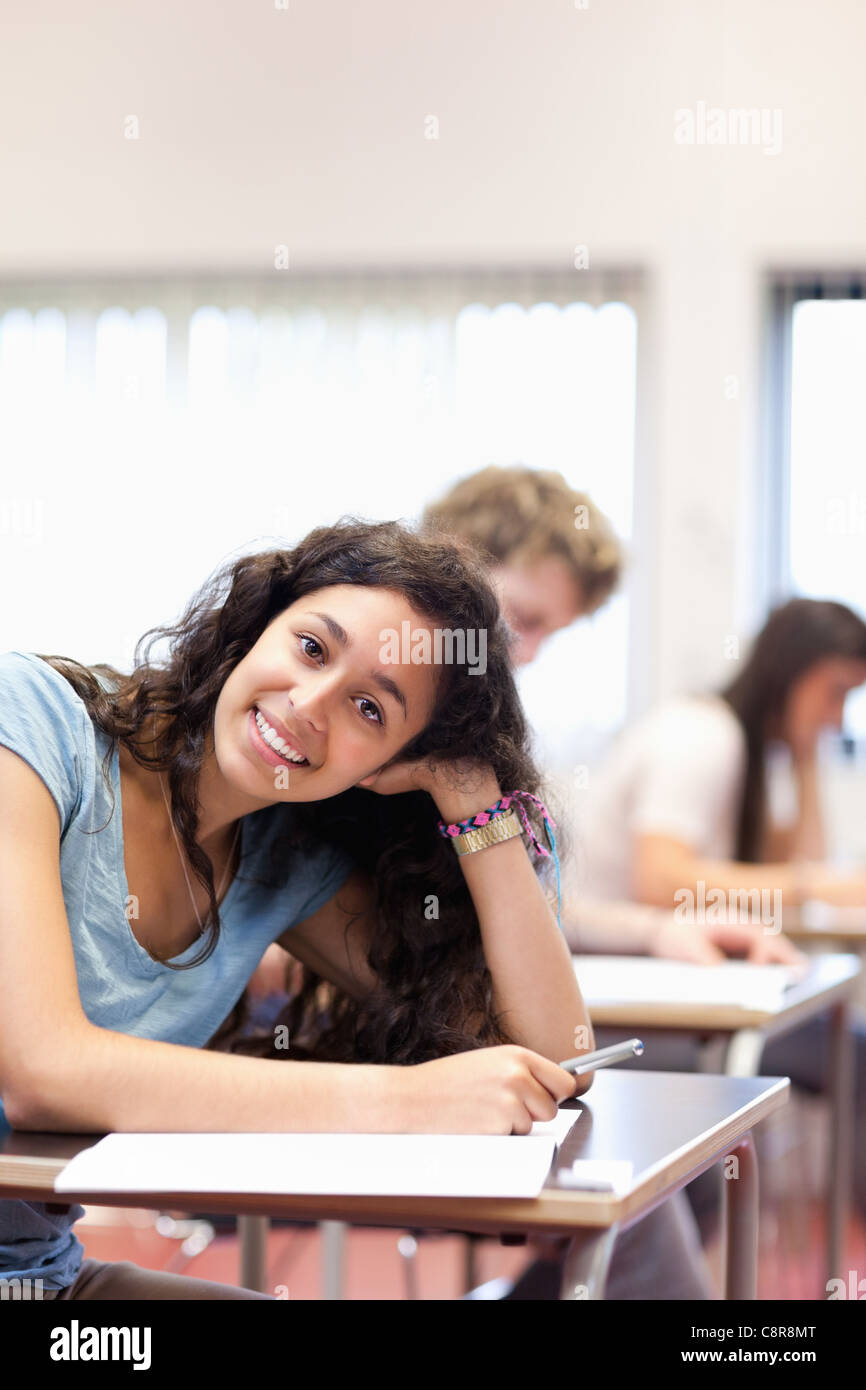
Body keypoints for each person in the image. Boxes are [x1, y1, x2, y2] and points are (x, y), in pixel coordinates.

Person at [0, 518, 590, 1300]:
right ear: (257, 625)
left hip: (39, 1281)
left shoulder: (284, 859)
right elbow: (40, 1073)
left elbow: (550, 1056)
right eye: (312, 648)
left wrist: (471, 795)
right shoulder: (33, 725)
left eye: (371, 711)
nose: (310, 704)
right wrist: (407, 1103)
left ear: (389, 767)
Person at [573, 595, 866, 1224]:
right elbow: (663, 881)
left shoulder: (745, 748)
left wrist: (810, 757)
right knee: (855, 1056)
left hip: (663, 985)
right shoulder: (703, 736)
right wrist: (815, 885)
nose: (840, 714)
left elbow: (794, 860)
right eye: (836, 691)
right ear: (791, 670)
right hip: (613, 1003)